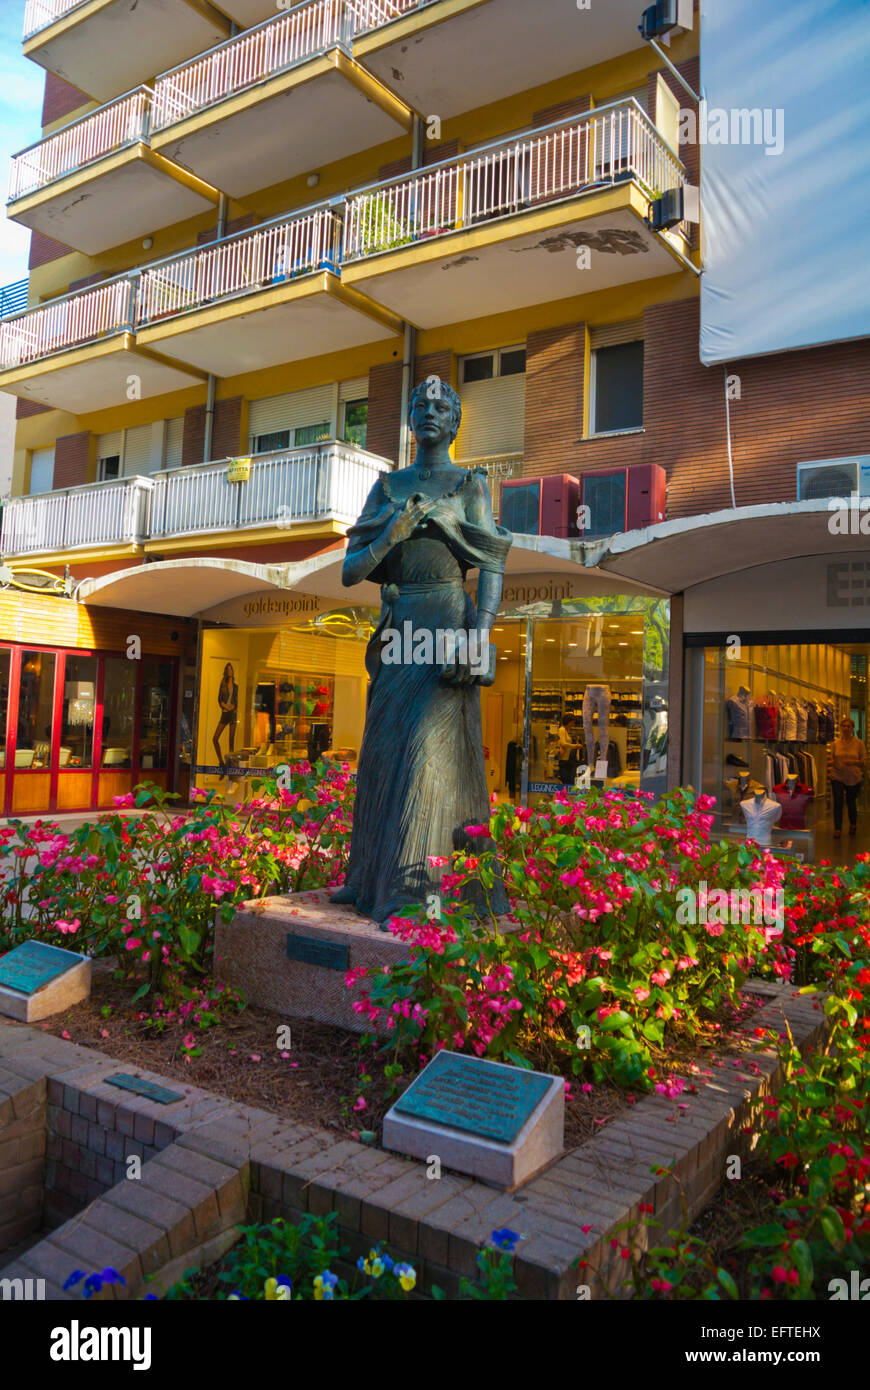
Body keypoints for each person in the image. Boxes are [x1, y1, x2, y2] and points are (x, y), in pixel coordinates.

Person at [331, 378, 512, 926]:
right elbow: (350, 571)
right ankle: (367, 878)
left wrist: (479, 633)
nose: (429, 411)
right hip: (397, 629)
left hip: (445, 626)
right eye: (420, 405)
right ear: (410, 419)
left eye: (441, 406)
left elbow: (493, 564)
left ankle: (416, 894)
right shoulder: (388, 488)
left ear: (454, 420)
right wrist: (393, 534)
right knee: (384, 750)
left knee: (427, 756)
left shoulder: (469, 485)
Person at [829, 717, 866, 839]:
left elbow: (863, 762)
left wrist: (853, 762)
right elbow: (831, 759)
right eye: (843, 726)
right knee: (838, 802)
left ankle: (853, 824)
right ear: (841, 728)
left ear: (852, 728)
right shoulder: (835, 743)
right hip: (837, 776)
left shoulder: (859, 743)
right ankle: (837, 828)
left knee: (851, 802)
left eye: (848, 726)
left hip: (853, 777)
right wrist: (834, 763)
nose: (846, 728)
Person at [212, 663, 238, 772]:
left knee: (231, 740)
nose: (229, 671)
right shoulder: (223, 684)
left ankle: (230, 766)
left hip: (233, 714)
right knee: (215, 739)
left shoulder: (236, 687)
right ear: (226, 672)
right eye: (228, 670)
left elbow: (236, 702)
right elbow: (219, 700)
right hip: (225, 713)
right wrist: (226, 706)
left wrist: (232, 707)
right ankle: (221, 762)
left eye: (231, 669)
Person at [557, 715, 579, 786]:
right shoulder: (562, 730)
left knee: (569, 781)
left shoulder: (565, 731)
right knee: (567, 781)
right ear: (568, 722)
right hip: (564, 760)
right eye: (572, 722)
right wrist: (575, 746)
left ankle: (568, 796)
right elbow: (563, 743)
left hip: (567, 760)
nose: (573, 724)